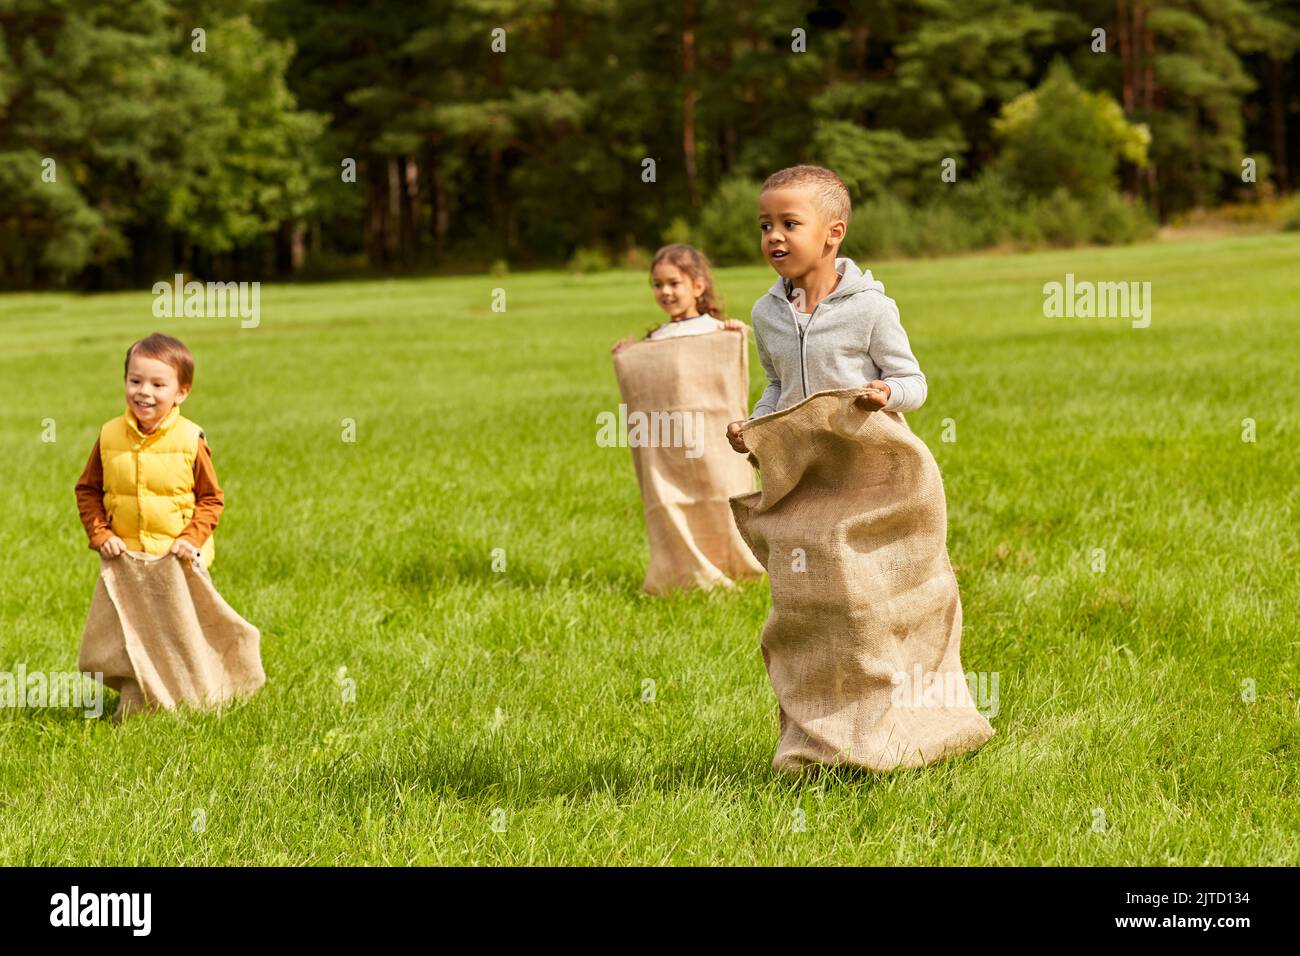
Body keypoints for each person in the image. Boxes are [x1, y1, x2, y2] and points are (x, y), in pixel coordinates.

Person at [74, 332, 224, 719]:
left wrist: (190, 541)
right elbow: (87, 490)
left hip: (178, 564)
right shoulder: (109, 436)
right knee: (130, 636)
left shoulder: (191, 439)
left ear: (181, 392)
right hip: (128, 562)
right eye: (135, 381)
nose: (144, 392)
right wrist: (101, 534)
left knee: (178, 636)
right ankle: (137, 704)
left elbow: (211, 499)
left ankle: (199, 701)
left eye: (159, 384)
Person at [725, 165, 926, 452]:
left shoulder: (870, 307)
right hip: (801, 462)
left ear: (834, 233)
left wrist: (888, 392)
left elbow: (913, 382)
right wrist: (755, 424)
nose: (774, 236)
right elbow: (778, 385)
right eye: (766, 226)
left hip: (864, 461)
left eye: (789, 224)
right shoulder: (766, 313)